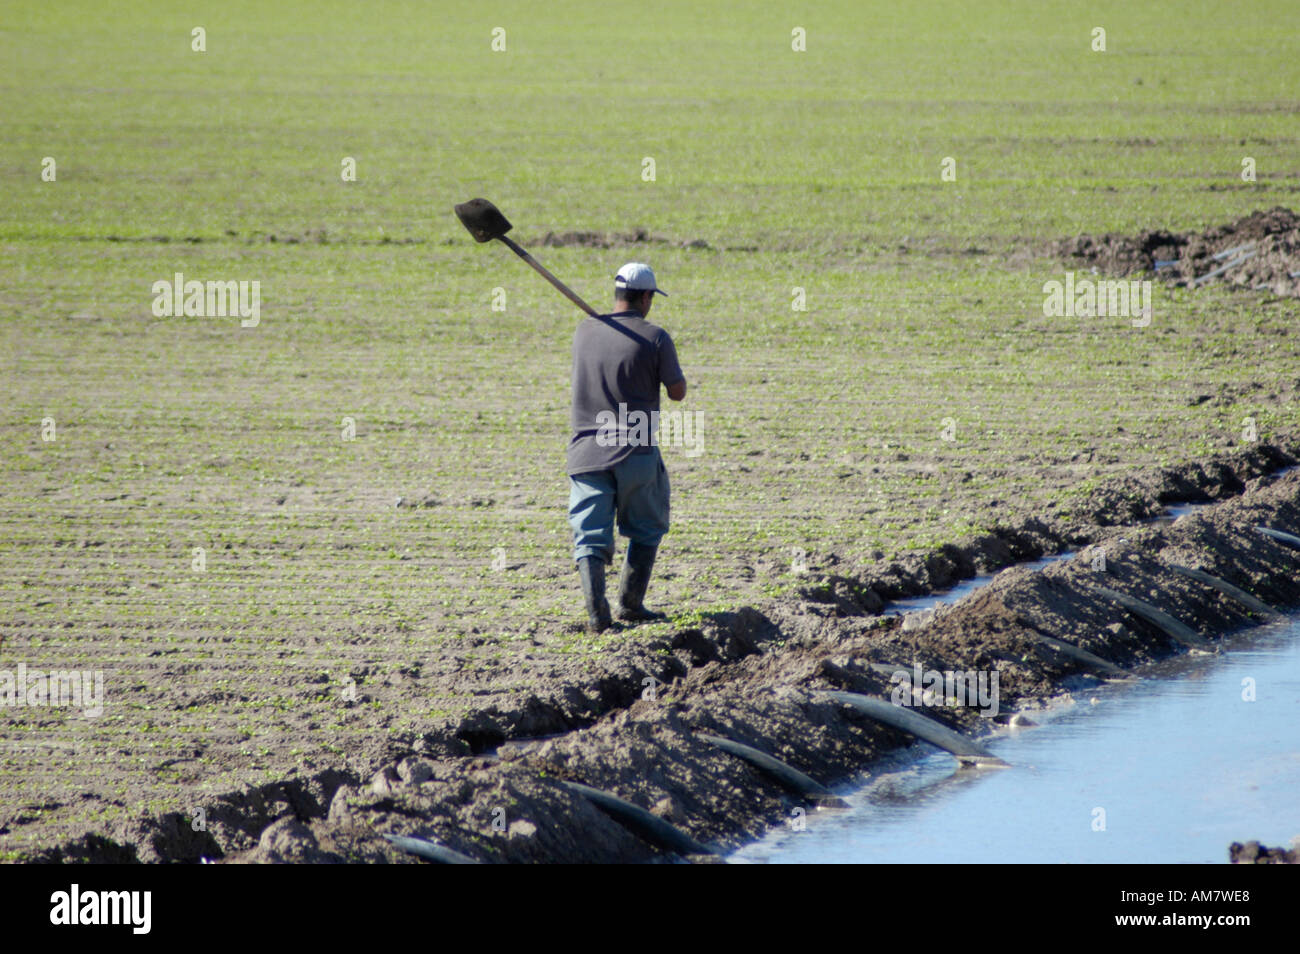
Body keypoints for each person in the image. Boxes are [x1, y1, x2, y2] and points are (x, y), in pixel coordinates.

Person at [567, 262, 687, 633]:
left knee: (589, 532)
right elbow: (677, 392)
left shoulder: (585, 331)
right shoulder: (655, 337)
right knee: (647, 525)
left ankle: (597, 617)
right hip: (635, 448)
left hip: (587, 449)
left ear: (617, 294)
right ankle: (631, 604)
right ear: (647, 297)